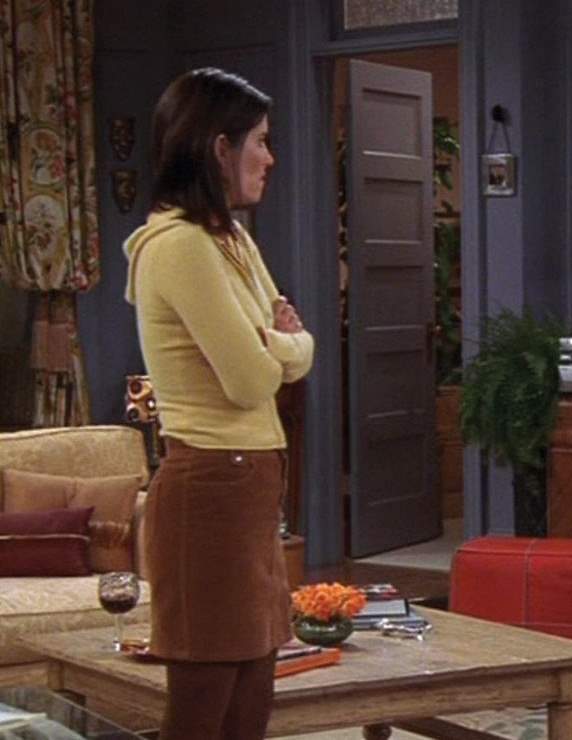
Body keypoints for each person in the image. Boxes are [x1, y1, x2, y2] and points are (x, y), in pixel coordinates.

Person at [123, 68, 314, 740]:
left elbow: (295, 351)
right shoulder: (178, 246)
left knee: (253, 696)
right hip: (209, 485)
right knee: (204, 704)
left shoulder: (231, 238)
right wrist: (283, 345)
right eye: (259, 140)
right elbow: (251, 381)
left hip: (250, 483)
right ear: (219, 147)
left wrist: (279, 344)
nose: (270, 157)